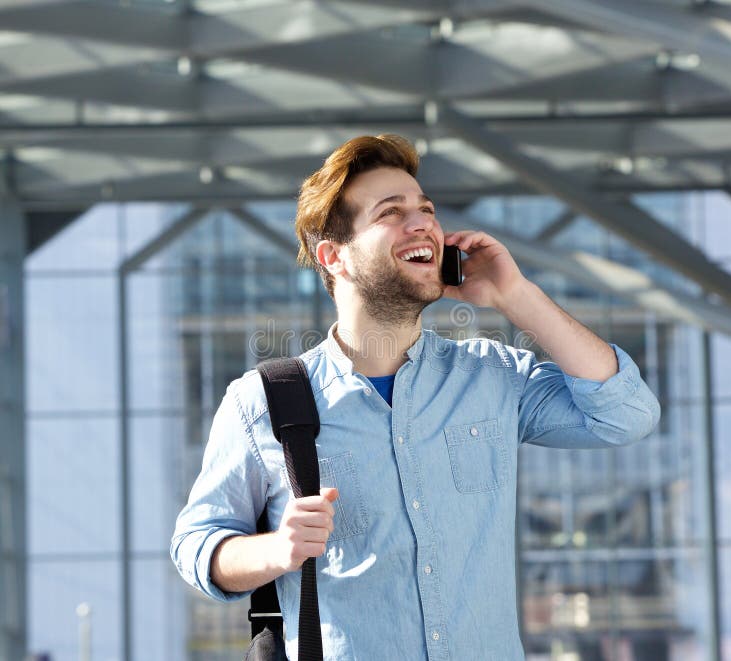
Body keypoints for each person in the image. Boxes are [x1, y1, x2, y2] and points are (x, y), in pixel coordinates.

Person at [171, 134, 661, 660]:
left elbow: (626, 415)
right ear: (334, 256)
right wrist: (276, 549)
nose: (423, 221)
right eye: (392, 212)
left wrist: (515, 296)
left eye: (425, 209)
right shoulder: (264, 403)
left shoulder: (491, 376)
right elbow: (197, 548)